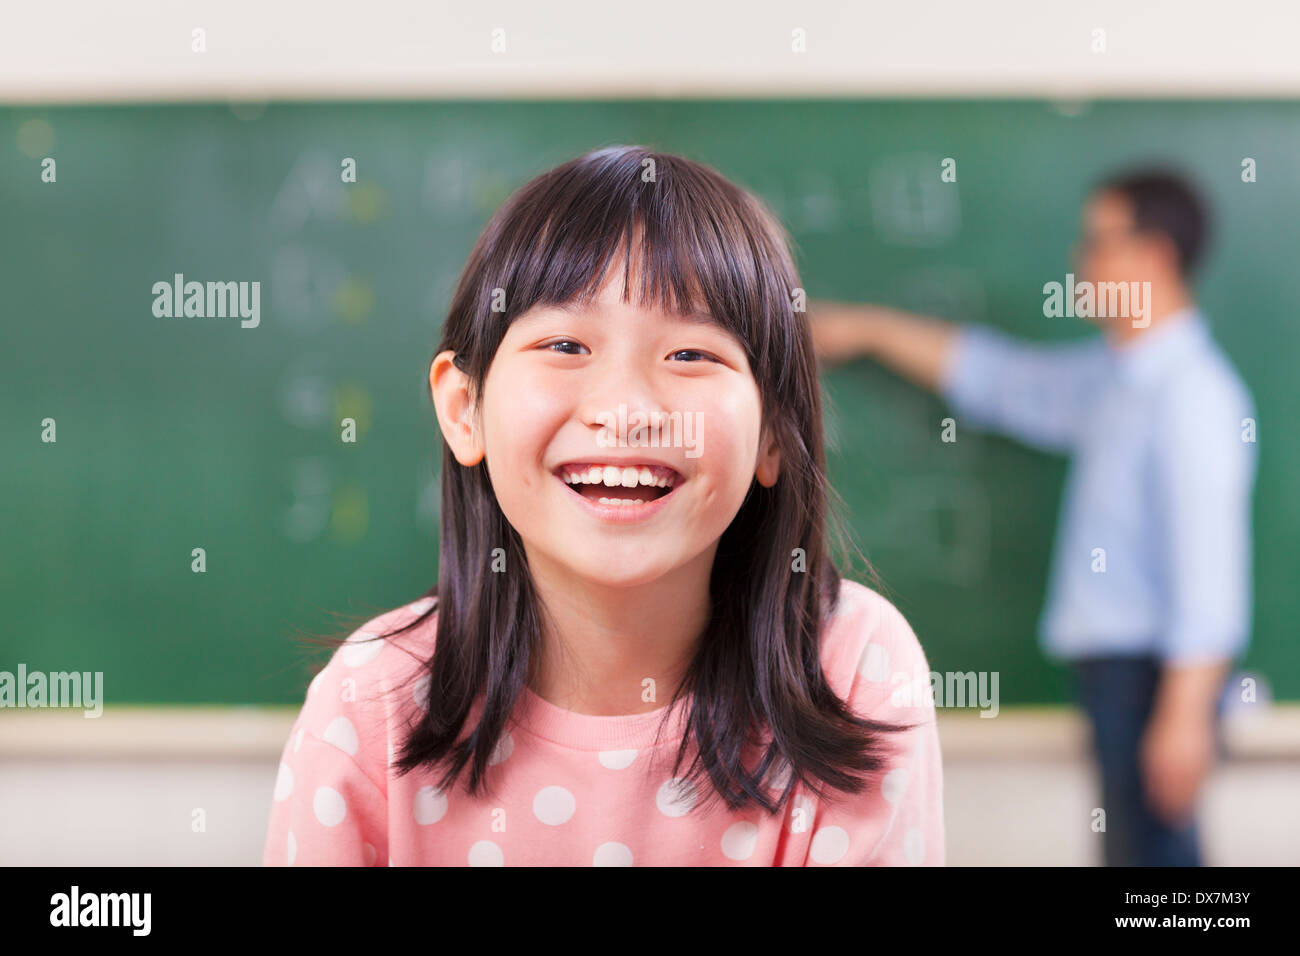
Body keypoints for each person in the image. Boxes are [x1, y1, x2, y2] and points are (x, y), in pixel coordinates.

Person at [263, 145, 944, 866]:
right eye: (565, 343)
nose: (625, 410)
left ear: (775, 432)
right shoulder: (371, 702)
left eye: (690, 355)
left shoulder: (851, 670)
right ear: (465, 410)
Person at [811, 168, 1257, 866]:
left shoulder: (1190, 397)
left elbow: (1210, 577)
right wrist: (870, 329)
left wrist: (1184, 717)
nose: (1082, 261)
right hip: (1121, 679)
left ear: (1156, 256)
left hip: (1156, 682)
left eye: (1098, 240)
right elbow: (1003, 380)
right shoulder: (1116, 380)